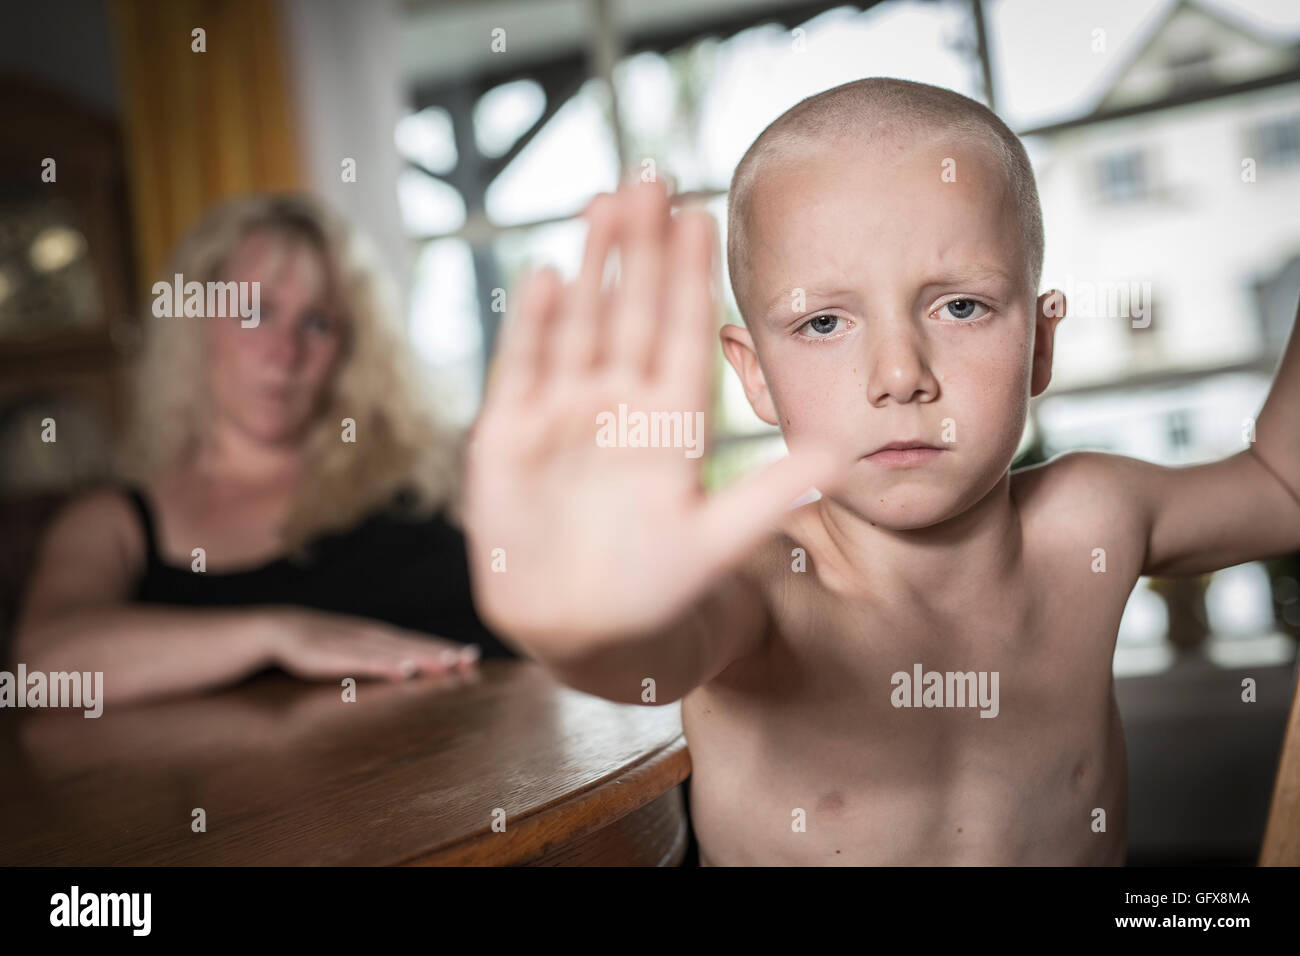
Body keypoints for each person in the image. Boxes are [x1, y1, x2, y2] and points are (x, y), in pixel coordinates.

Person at [461, 77, 1300, 865]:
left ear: (1040, 344)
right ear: (753, 374)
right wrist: (585, 625)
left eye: (960, 306)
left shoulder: (1094, 518)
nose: (899, 373)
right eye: (824, 322)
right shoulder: (768, 583)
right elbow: (652, 648)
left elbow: (1282, 486)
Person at [15, 194, 516, 707]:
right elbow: (39, 672)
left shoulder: (435, 470)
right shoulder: (112, 522)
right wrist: (276, 634)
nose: (286, 353)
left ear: (349, 349)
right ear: (195, 322)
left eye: (317, 323)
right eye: (256, 312)